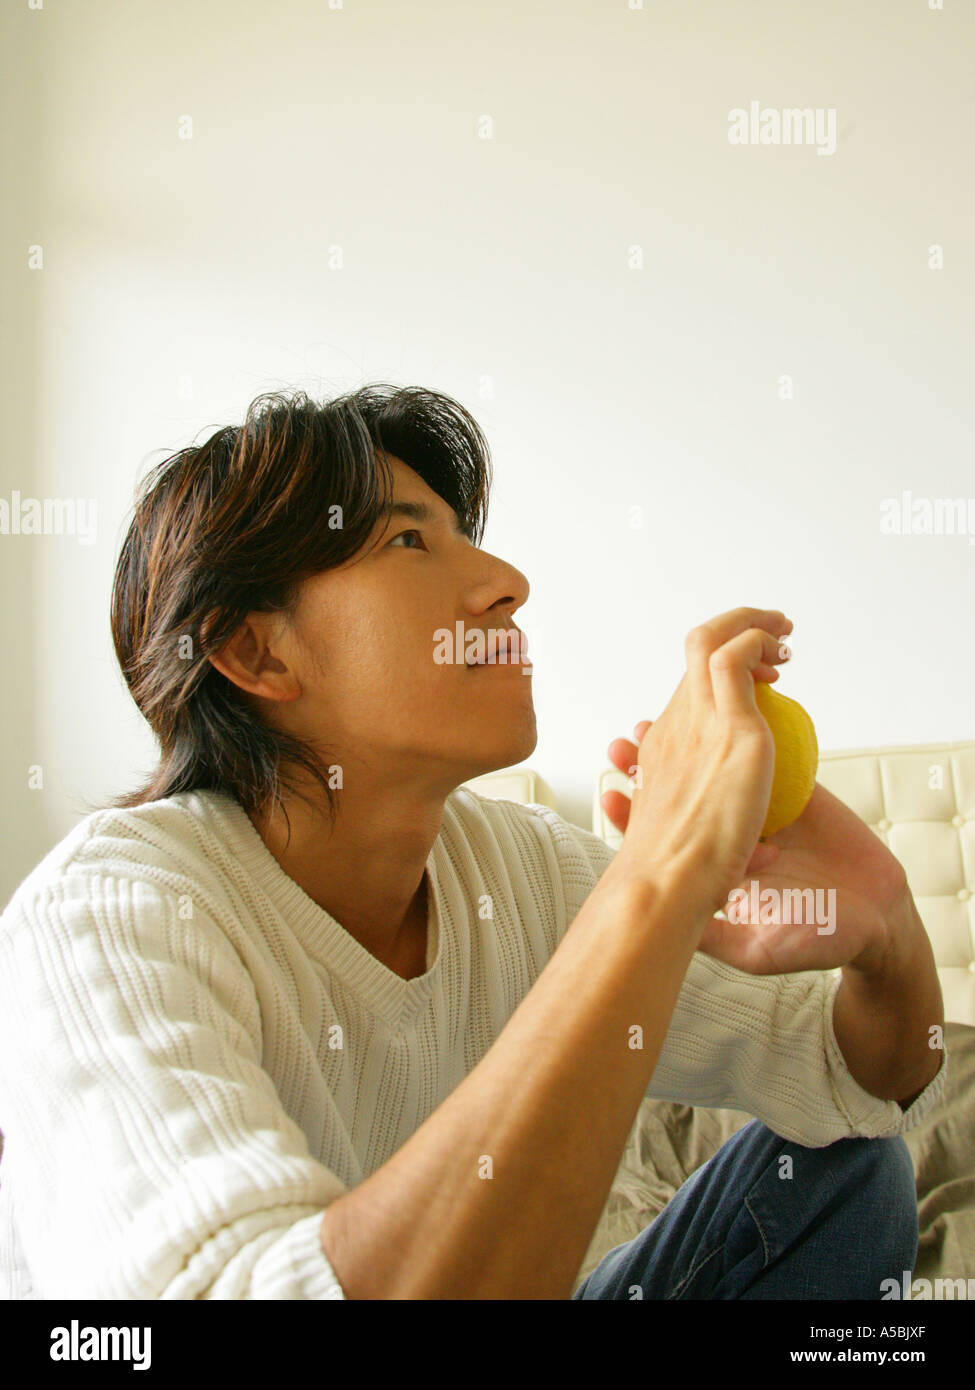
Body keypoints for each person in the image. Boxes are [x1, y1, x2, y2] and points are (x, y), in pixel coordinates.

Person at [0, 384, 947, 1300]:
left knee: (845, 1175)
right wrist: (659, 876)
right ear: (256, 652)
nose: (508, 585)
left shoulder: (518, 867)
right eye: (409, 539)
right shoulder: (110, 914)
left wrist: (888, 929)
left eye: (468, 539)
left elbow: (855, 1081)